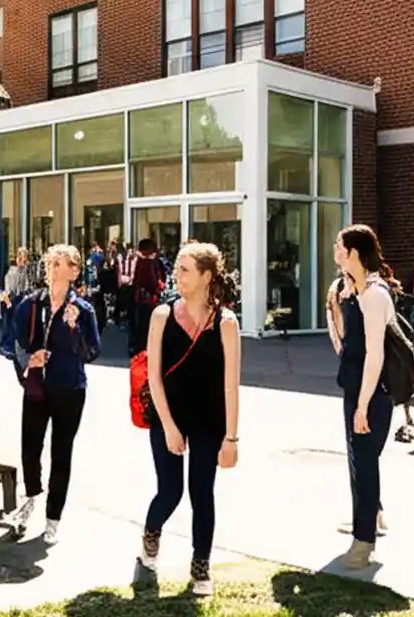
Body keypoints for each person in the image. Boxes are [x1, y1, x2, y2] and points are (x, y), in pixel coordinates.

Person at [135, 242, 240, 597]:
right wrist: (168, 426)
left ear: (206, 276)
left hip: (209, 420)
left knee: (201, 493)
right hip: (169, 416)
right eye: (177, 269)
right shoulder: (162, 316)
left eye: (185, 270)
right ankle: (151, 536)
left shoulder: (226, 323)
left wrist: (232, 438)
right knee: (170, 491)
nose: (177, 276)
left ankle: (201, 566)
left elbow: (231, 387)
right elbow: (153, 376)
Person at [8, 244, 102, 545]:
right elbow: (13, 343)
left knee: (62, 452)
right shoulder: (31, 304)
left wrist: (76, 329)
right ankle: (32, 496)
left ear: (73, 271)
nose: (51, 267)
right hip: (38, 387)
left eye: (58, 263)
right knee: (29, 448)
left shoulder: (84, 310)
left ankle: (53, 517)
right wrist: (28, 361)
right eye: (49, 262)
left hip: (69, 388)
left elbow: (92, 352)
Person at [329, 225, 395, 569]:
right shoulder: (352, 290)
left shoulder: (375, 294)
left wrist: (364, 404)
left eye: (340, 247)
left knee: (365, 464)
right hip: (355, 388)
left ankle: (364, 542)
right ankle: (369, 514)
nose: (336, 252)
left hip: (373, 392)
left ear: (355, 252)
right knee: (359, 461)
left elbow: (375, 354)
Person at [0, 247, 33, 363]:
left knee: (14, 325)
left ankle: (10, 347)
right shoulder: (12, 271)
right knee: (9, 325)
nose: (23, 262)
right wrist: (8, 303)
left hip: (18, 299)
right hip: (10, 299)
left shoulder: (24, 271)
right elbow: (8, 289)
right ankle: (5, 347)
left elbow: (26, 287)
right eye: (21, 259)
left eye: (25, 260)